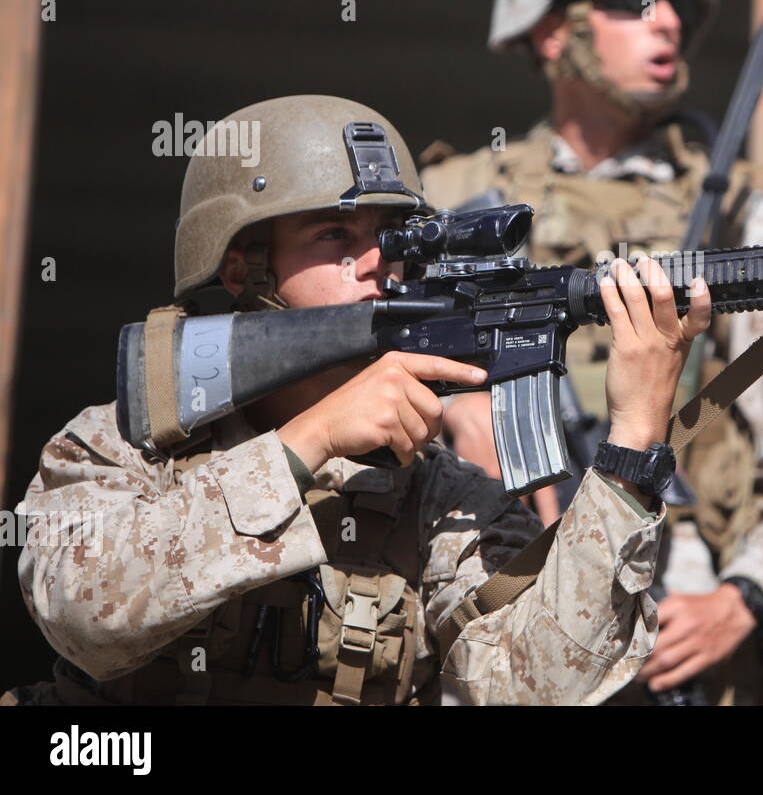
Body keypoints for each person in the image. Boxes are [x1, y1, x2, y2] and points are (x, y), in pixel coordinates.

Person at [4, 94, 710, 706]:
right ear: (242, 265)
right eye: (336, 235)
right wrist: (305, 445)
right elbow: (83, 617)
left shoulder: (433, 491)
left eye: (391, 237)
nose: (377, 262)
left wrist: (633, 443)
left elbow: (540, 685)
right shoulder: (119, 445)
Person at [424, 0, 763, 704]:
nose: (666, 18)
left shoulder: (741, 220)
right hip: (490, 605)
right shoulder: (451, 212)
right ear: (550, 26)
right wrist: (452, 420)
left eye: (675, 2)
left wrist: (743, 603)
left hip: (674, 622)